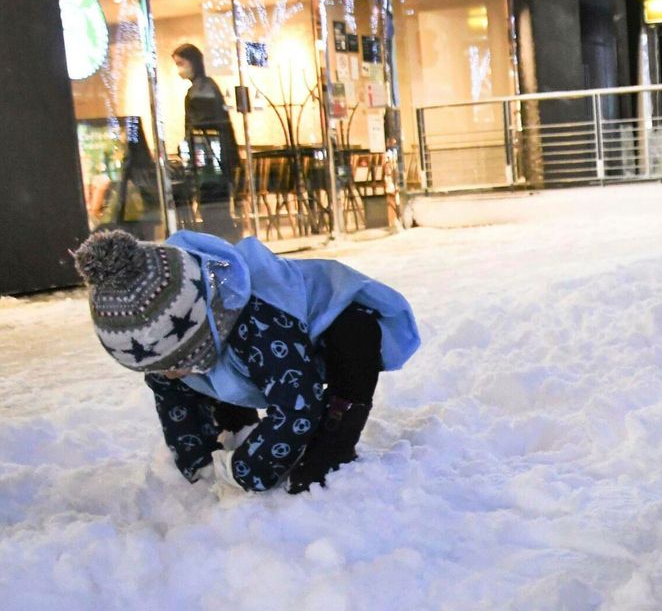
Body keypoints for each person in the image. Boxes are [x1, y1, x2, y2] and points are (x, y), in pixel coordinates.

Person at [71, 228, 420, 494]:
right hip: (240, 349)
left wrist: (247, 473)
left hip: (324, 328)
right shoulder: (171, 342)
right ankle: (238, 426)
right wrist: (199, 463)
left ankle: (336, 436)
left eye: (172, 363)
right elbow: (175, 402)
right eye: (156, 366)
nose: (166, 373)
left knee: (354, 335)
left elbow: (298, 404)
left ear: (195, 338)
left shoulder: (262, 323)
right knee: (208, 377)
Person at [172, 44, 241, 241]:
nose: (179, 69)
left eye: (181, 63)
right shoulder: (206, 87)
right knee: (217, 213)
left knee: (214, 214)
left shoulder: (201, 91)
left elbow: (202, 131)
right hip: (216, 162)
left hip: (210, 165)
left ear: (193, 62)